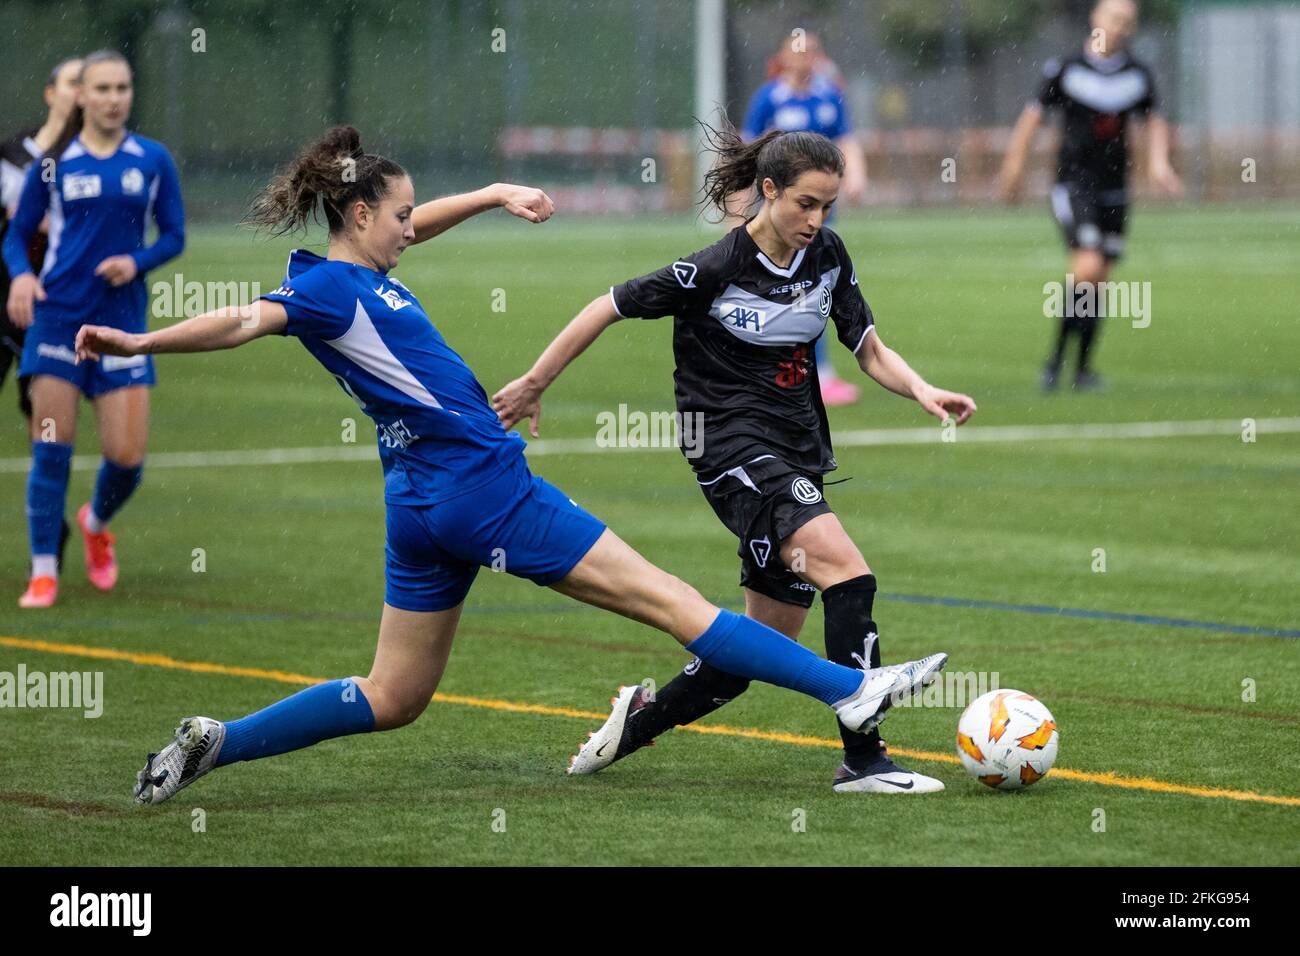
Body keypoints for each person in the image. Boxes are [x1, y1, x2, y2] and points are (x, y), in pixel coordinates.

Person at [73, 125, 948, 805]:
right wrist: (141, 340)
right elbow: (235, 322)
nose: (414, 227)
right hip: (487, 488)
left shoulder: (359, 275)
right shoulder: (326, 291)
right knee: (673, 603)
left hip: (417, 504)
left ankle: (221, 739)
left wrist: (491, 194)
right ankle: (852, 689)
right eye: (403, 215)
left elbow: (413, 235)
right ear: (359, 216)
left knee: (393, 694)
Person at [493, 123, 975, 793]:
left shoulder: (828, 255)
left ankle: (635, 723)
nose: (817, 218)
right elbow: (605, 307)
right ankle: (864, 760)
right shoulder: (712, 269)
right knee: (848, 572)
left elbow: (867, 346)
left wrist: (921, 388)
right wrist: (534, 382)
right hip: (727, 449)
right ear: (768, 191)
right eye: (805, 203)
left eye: (827, 205)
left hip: (796, 450)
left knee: (759, 641)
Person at [4, 50, 185, 607]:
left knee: (128, 460)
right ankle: (43, 573)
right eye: (102, 88)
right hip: (58, 319)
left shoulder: (152, 159)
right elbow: (16, 236)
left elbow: (174, 236)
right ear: (81, 95)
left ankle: (96, 520)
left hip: (123, 325)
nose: (113, 98)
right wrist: (19, 279)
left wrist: (137, 262)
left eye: (122, 88)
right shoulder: (55, 163)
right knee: (50, 448)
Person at [998, 0, 1182, 391]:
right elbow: (1032, 118)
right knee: (1088, 268)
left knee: (1099, 281)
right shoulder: (1066, 70)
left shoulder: (1137, 75)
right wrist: (1014, 167)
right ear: (1096, 19)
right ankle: (1055, 363)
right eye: (1113, 18)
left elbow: (1155, 120)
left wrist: (1160, 163)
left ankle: (1081, 370)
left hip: (1115, 189)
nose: (1118, 27)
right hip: (1073, 185)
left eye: (1127, 22)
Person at [741, 31, 868, 407]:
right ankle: (769, 370)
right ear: (782, 57)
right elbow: (749, 147)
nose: (804, 57)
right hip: (776, 212)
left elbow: (846, 139)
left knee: (813, 286)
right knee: (778, 287)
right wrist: (738, 201)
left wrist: (857, 174)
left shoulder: (829, 95)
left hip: (820, 212)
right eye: (797, 51)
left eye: (811, 50)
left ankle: (816, 374)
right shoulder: (769, 98)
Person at [0, 56, 82, 570]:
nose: (83, 92)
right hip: (2, 297)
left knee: (43, 424)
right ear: (51, 93)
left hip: (50, 308)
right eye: (74, 82)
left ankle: (49, 530)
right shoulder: (11, 153)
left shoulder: (88, 159)